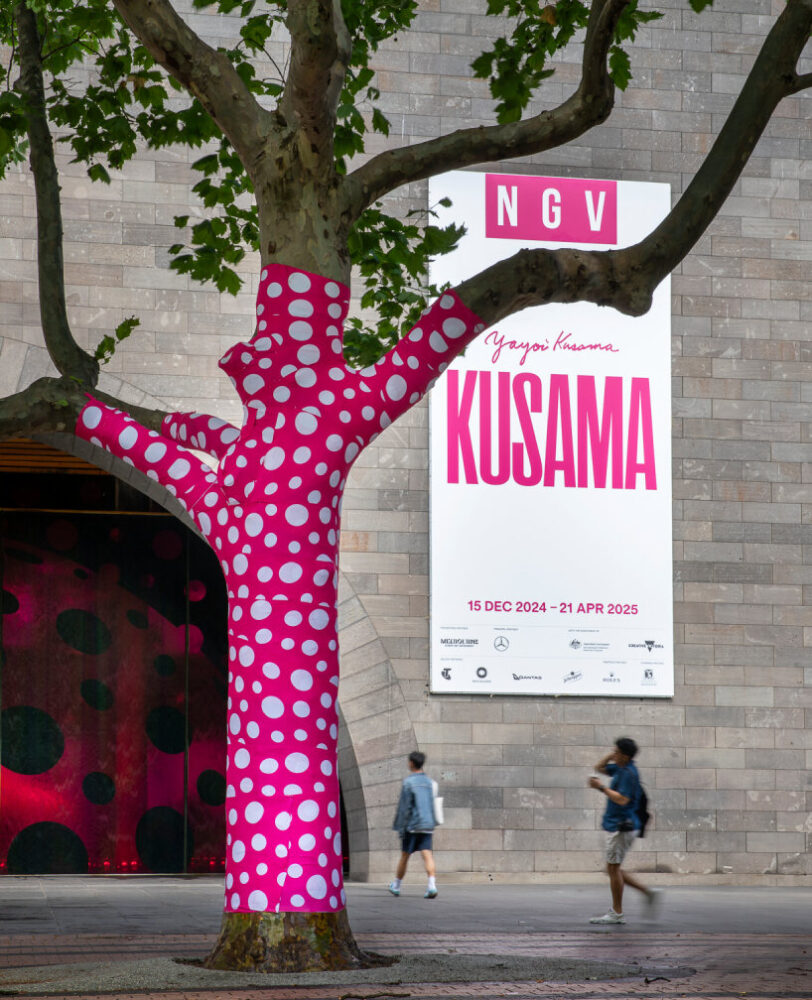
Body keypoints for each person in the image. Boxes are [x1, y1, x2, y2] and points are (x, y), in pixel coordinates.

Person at [588, 736, 662, 924]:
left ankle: (617, 913)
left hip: (621, 827)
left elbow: (622, 799)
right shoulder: (621, 768)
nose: (614, 754)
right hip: (616, 825)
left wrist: (601, 787)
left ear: (626, 756)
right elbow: (599, 768)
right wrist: (610, 756)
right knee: (613, 868)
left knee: (613, 868)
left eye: (617, 752)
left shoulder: (629, 773)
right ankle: (647, 893)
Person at [389, 750, 439, 899]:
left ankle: (396, 885)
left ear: (411, 763)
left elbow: (404, 808)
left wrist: (400, 827)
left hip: (412, 825)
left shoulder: (408, 782)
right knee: (427, 855)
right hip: (427, 825)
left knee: (405, 856)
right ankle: (432, 886)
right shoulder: (430, 782)